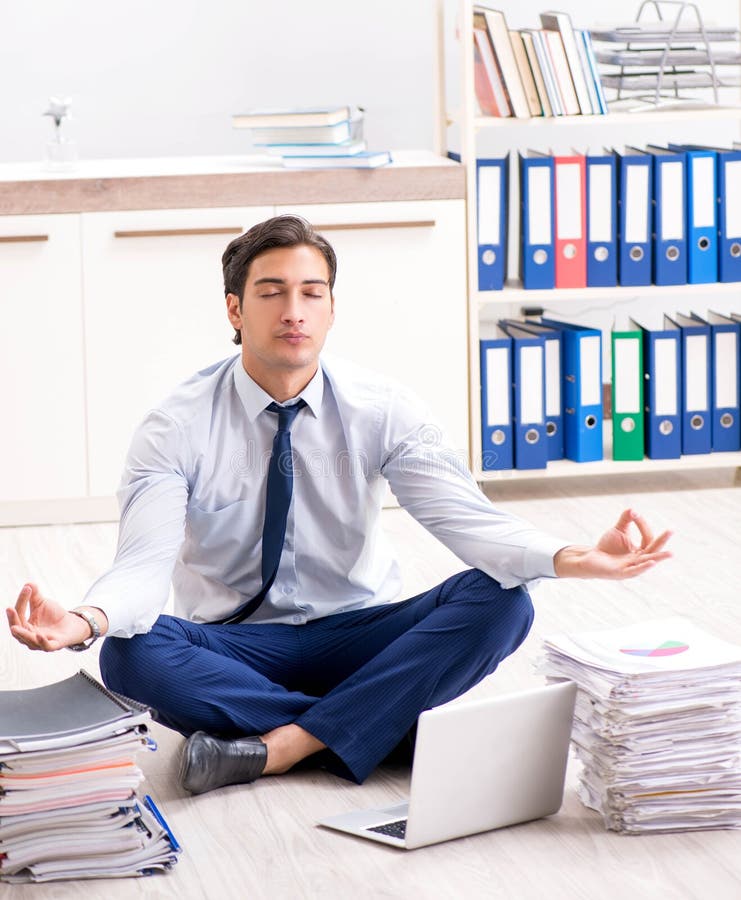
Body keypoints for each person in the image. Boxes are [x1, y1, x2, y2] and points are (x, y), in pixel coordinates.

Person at [7, 215, 671, 795]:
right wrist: (85, 620)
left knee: (503, 600)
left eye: (311, 292)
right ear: (235, 310)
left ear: (330, 309)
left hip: (359, 634)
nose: (293, 311)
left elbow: (469, 522)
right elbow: (143, 564)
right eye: (271, 292)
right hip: (236, 646)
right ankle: (373, 723)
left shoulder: (383, 409)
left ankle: (281, 746)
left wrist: (575, 556)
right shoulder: (175, 425)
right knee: (129, 654)